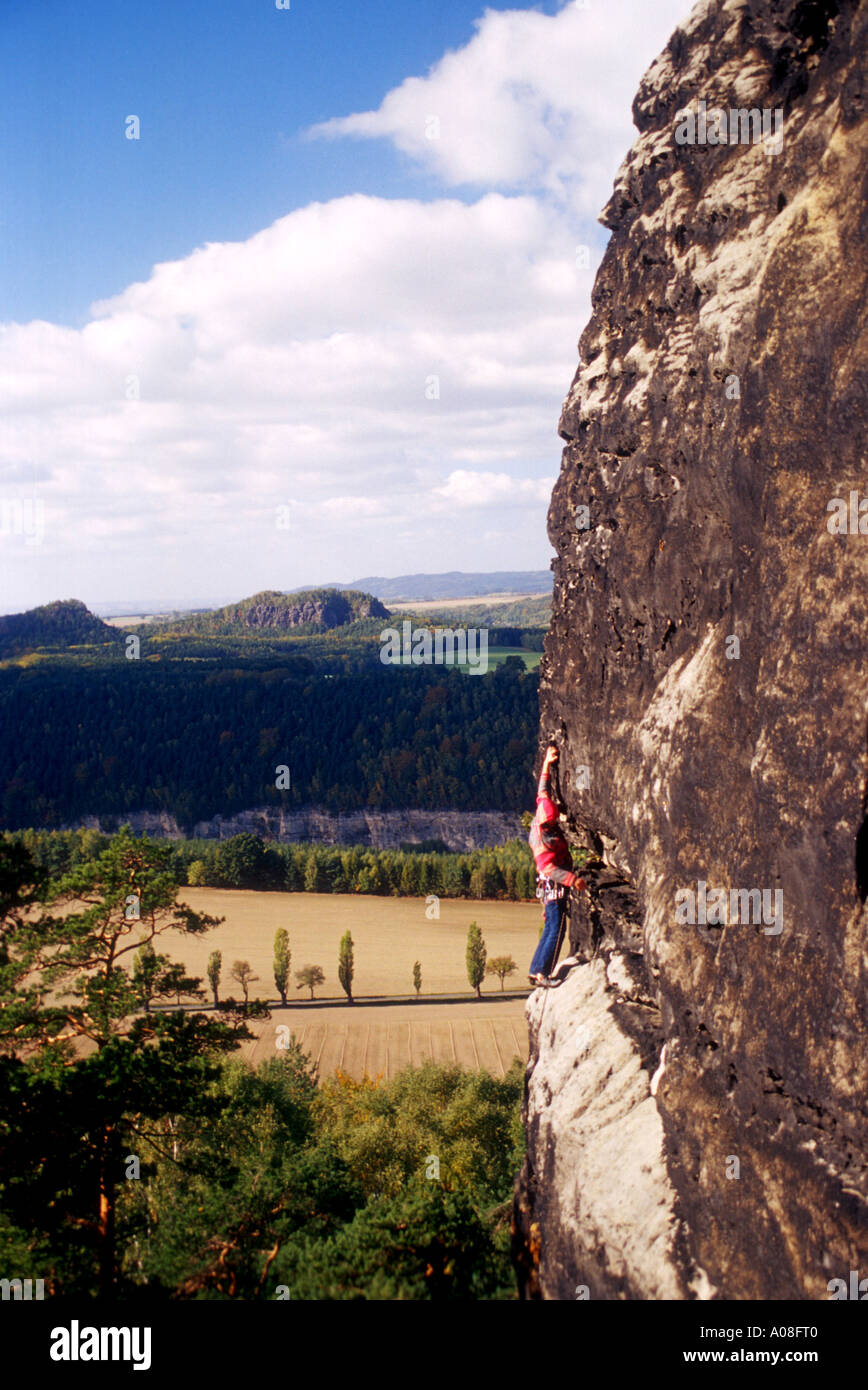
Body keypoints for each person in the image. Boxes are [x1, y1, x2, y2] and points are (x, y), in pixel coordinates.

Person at [528, 743, 586, 987]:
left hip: (548, 885)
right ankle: (542, 973)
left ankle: (536, 969)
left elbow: (543, 790)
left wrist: (547, 763)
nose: (556, 825)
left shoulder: (542, 810)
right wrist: (573, 880)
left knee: (552, 925)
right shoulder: (544, 840)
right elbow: (550, 869)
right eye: (553, 824)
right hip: (554, 884)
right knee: (556, 927)